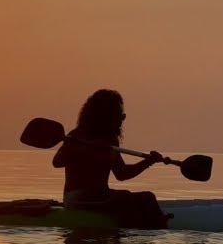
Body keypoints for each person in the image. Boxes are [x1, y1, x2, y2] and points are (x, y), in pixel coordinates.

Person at [51, 89, 169, 229]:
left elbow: (122, 174)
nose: (121, 120)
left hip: (102, 196)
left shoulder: (110, 140)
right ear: (104, 115)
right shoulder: (78, 135)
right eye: (119, 115)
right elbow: (57, 162)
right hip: (78, 198)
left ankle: (152, 232)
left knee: (147, 197)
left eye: (123, 116)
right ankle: (121, 243)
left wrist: (148, 162)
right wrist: (88, 148)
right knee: (128, 198)